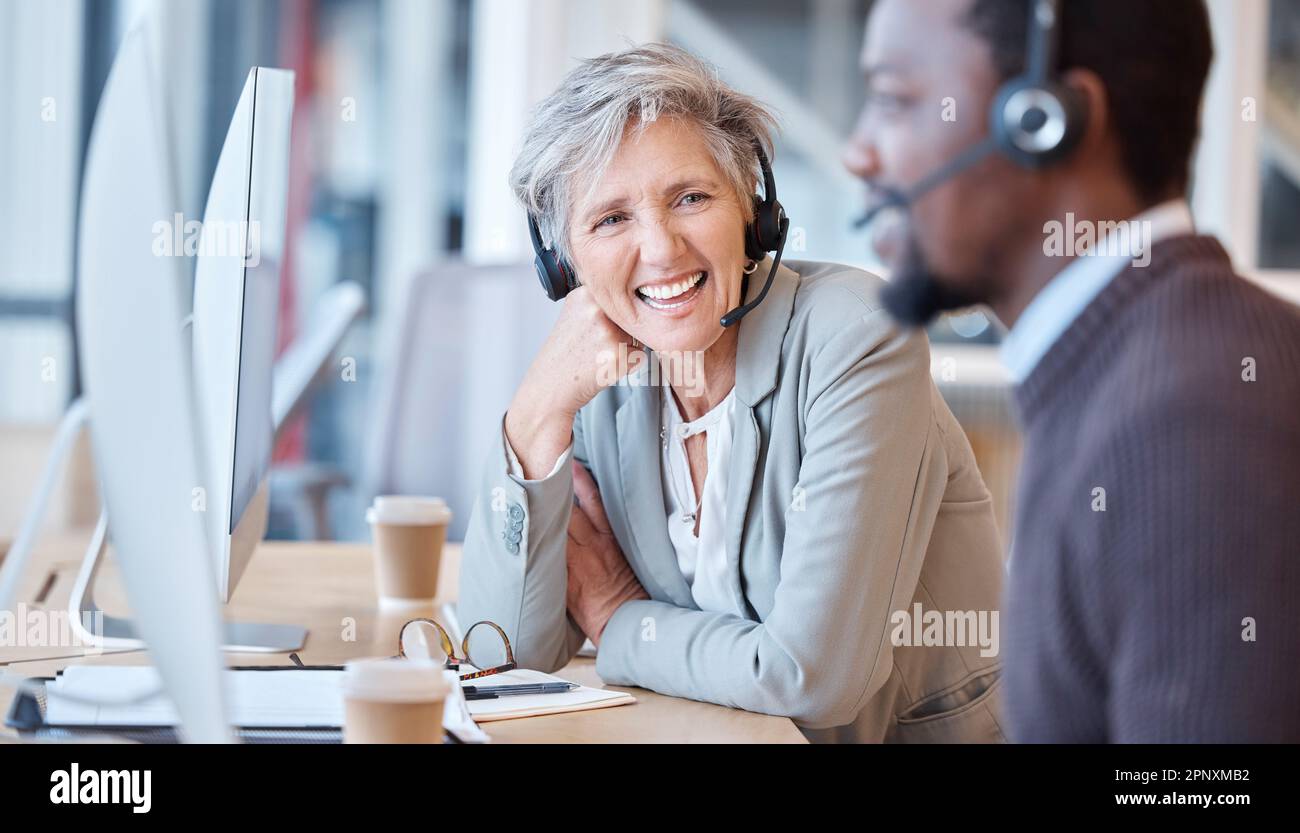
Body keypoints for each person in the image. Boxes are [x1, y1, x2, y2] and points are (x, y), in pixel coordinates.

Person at [457, 43, 1007, 742]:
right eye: (611, 218)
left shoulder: (860, 338)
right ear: (562, 261)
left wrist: (617, 615)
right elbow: (497, 659)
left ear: (753, 211)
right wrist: (536, 413)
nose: (660, 250)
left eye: (690, 197)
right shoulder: (598, 380)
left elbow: (814, 681)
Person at [845, 0, 1300, 741]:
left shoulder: (1193, 419)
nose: (857, 153)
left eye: (897, 99)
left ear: (1046, 121)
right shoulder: (1124, 369)